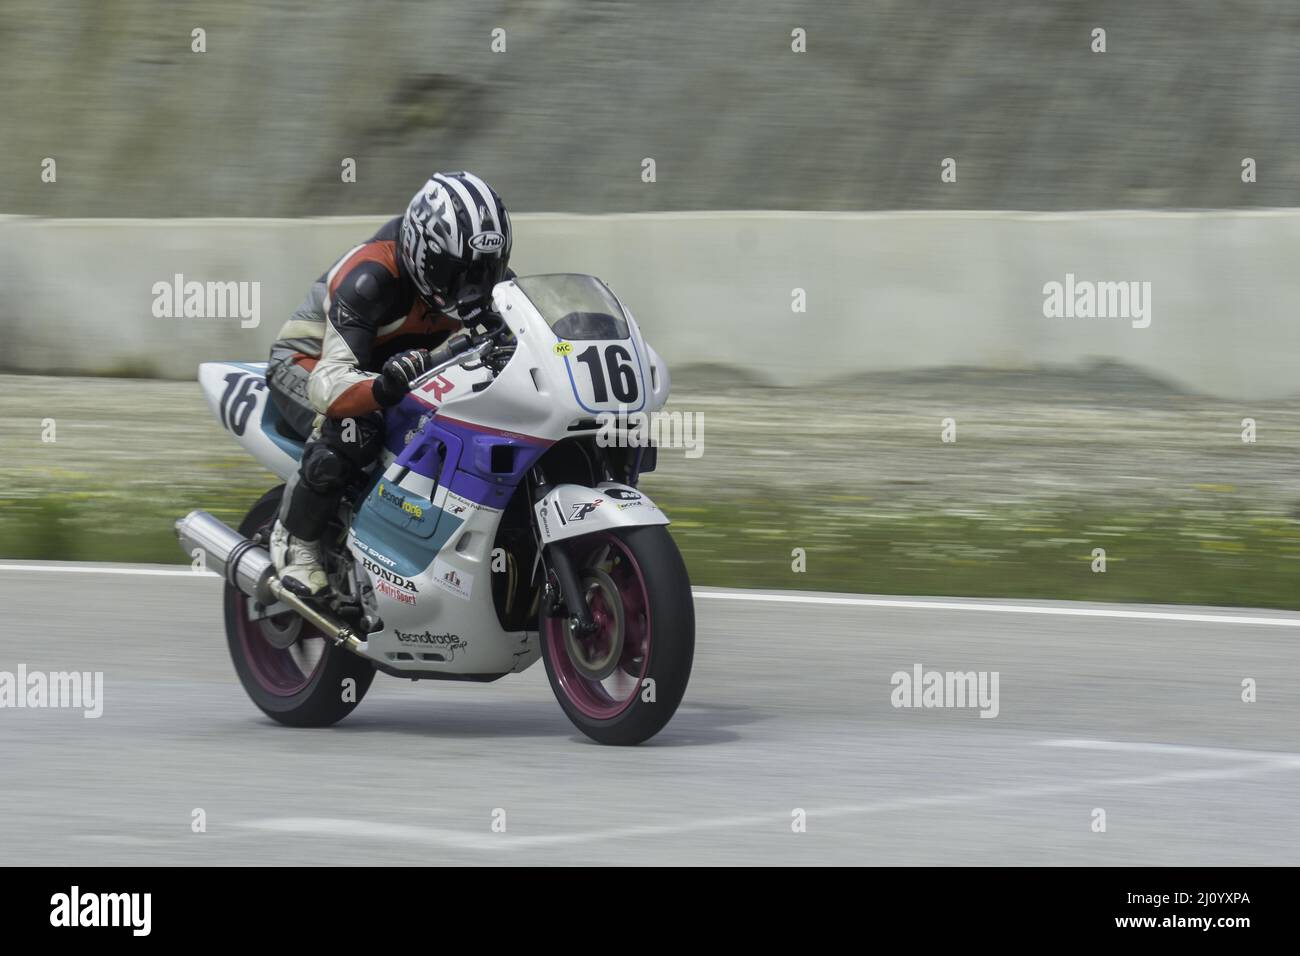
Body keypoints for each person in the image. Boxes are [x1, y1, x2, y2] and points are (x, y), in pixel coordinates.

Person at [264, 171, 513, 595]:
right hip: (309, 365)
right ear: (423, 253)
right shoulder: (370, 278)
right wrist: (382, 390)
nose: (471, 289)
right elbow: (330, 385)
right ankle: (294, 540)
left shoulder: (486, 282)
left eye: (484, 272)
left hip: (396, 372)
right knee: (356, 429)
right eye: (457, 273)